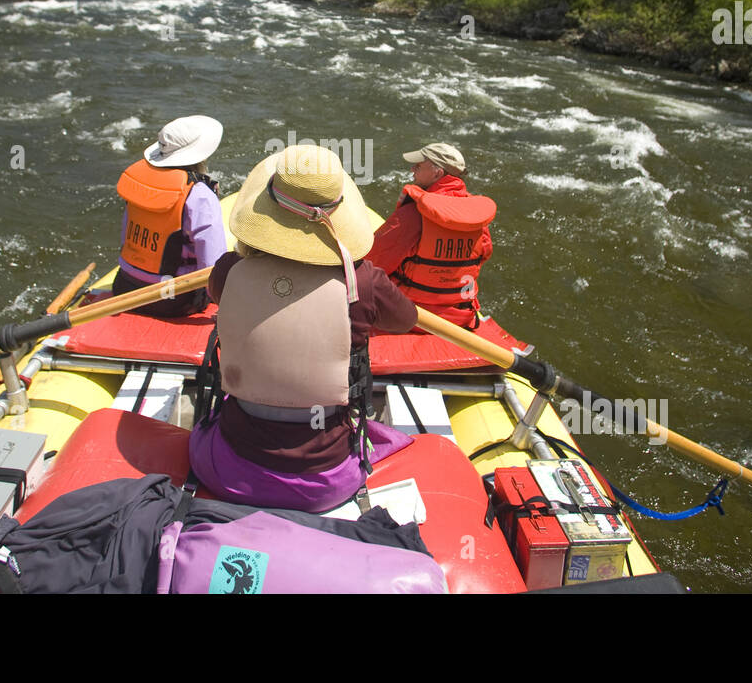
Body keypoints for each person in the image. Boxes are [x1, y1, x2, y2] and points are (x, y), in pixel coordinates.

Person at [189, 144, 418, 513]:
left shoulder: (230, 270)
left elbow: (218, 293)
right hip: (324, 481)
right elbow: (406, 319)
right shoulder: (364, 282)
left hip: (229, 467)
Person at [365, 142, 495, 330]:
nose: (412, 169)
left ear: (437, 173)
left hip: (410, 317)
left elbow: (373, 262)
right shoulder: (476, 219)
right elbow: (484, 255)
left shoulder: (413, 214)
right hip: (460, 316)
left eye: (418, 165)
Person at [108, 115, 228, 317]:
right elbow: (212, 265)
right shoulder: (199, 195)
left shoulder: (141, 182)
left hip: (125, 287)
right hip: (173, 301)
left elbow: (125, 236)